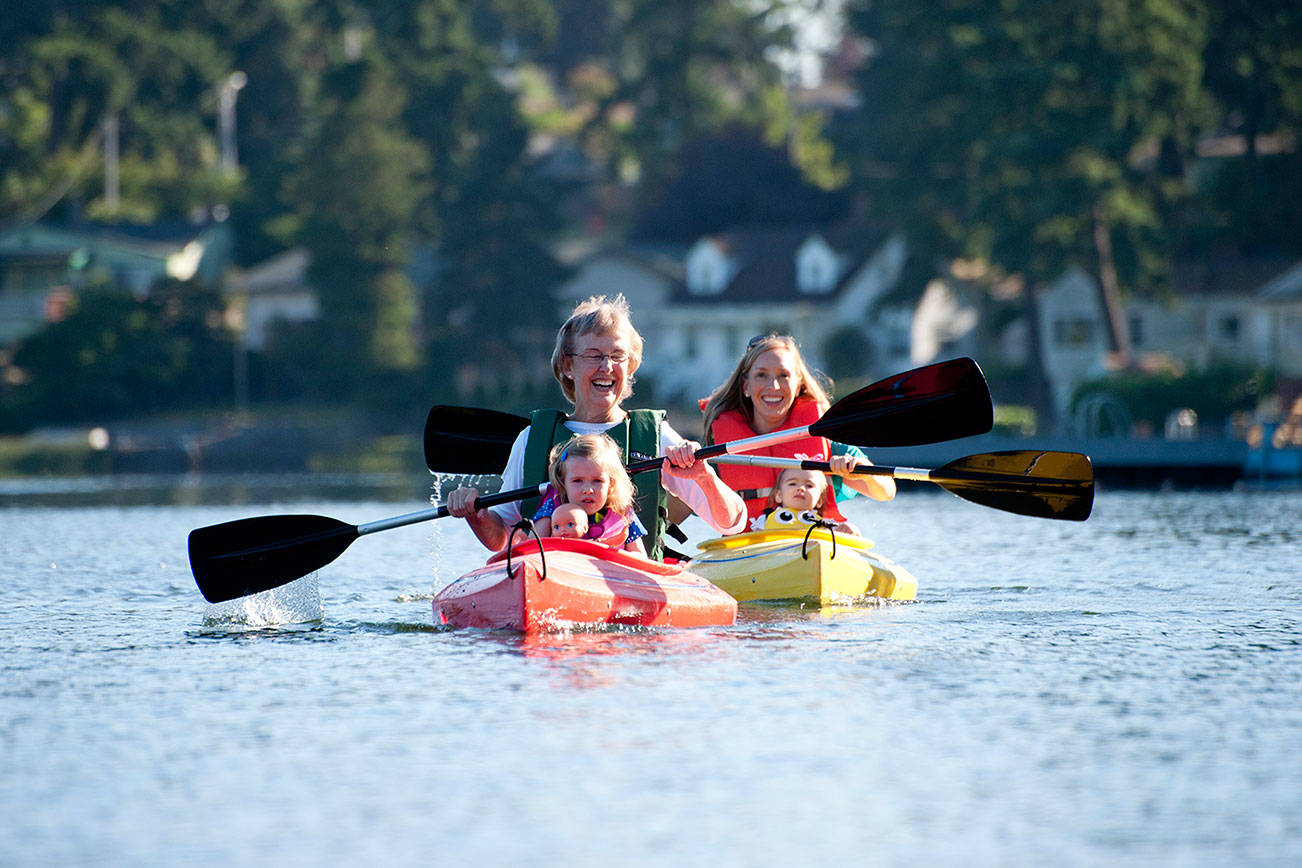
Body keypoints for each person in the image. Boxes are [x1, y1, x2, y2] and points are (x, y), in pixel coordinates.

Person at [448, 294, 746, 558]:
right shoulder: (532, 439)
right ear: (568, 366)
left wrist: (704, 477)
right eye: (593, 356)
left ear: (630, 366)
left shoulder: (655, 436)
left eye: (618, 356)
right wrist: (476, 515)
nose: (607, 367)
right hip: (547, 574)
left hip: (631, 580)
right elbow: (500, 538)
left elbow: (732, 523)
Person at [699, 333, 895, 526]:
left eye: (783, 375)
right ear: (746, 387)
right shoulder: (720, 454)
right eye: (761, 375)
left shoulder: (829, 446)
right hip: (747, 543)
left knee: (851, 530)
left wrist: (863, 471)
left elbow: (886, 491)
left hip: (813, 539)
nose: (773, 386)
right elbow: (683, 504)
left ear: (798, 384)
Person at [530, 434, 646, 553]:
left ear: (611, 484)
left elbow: (640, 556)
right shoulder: (553, 508)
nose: (588, 490)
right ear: (563, 483)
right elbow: (531, 549)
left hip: (607, 564)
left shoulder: (622, 512)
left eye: (597, 481)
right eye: (577, 480)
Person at [754, 467, 860, 535]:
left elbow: (851, 536)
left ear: (819, 501)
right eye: (792, 484)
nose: (801, 488)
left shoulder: (825, 525)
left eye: (809, 486)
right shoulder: (764, 521)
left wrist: (851, 530)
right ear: (779, 496)